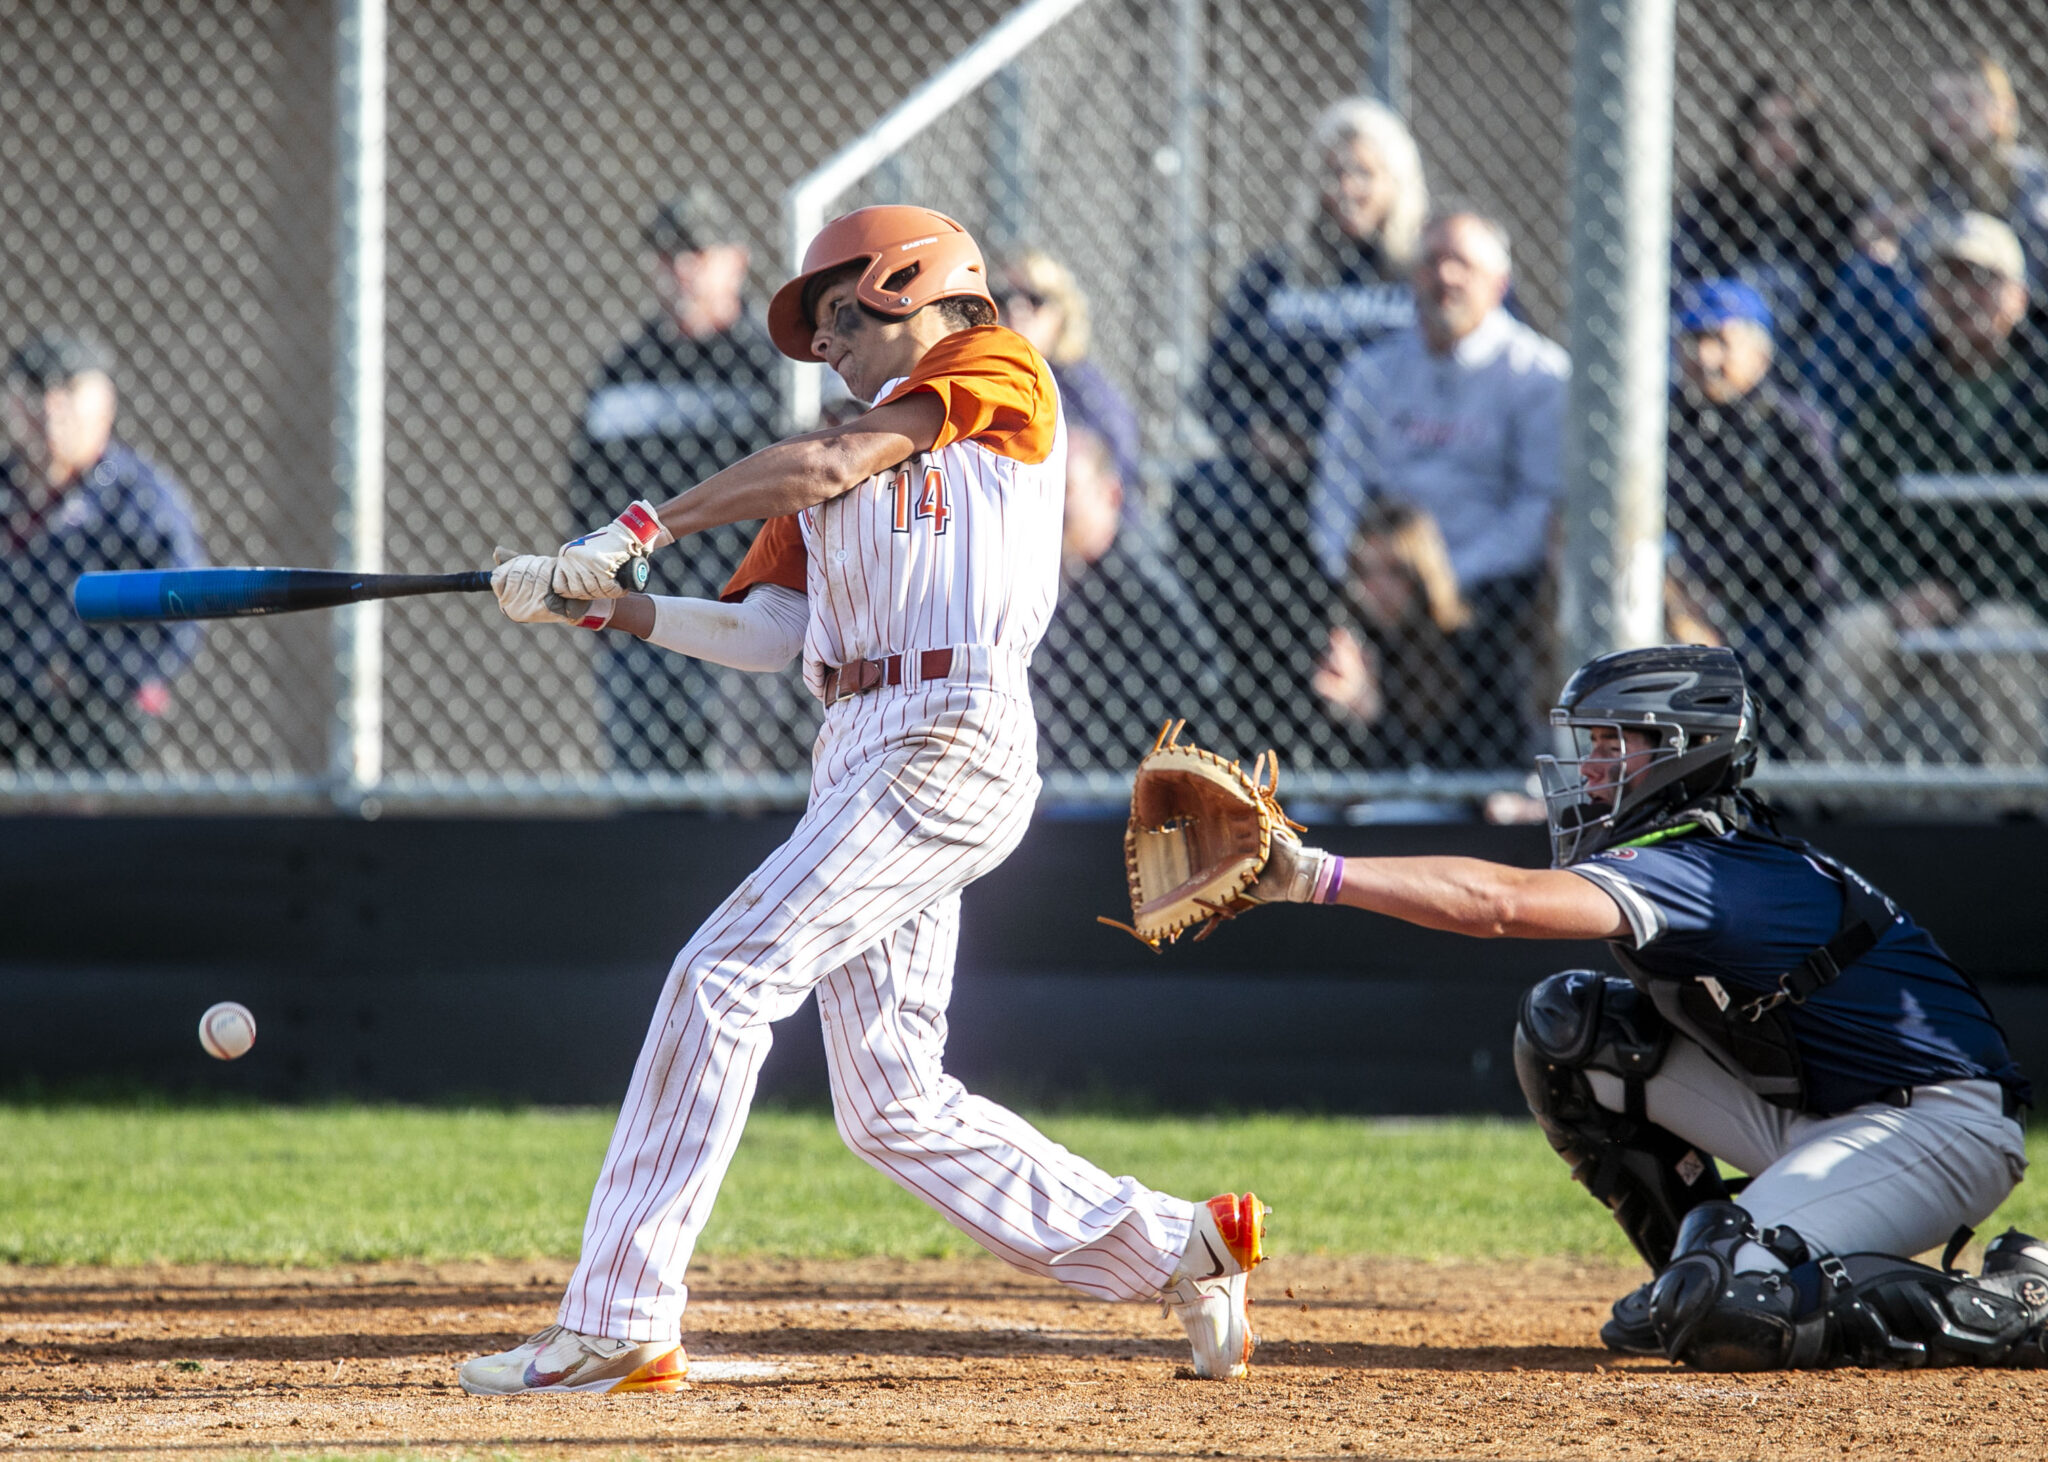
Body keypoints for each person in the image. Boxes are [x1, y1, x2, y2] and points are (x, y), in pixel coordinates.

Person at [466, 205, 1269, 1395]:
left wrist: (639, 527)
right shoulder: (834, 456)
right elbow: (767, 630)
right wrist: (608, 606)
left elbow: (834, 461)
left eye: (840, 314)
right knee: (890, 1102)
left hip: (950, 731)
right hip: (855, 744)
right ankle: (1177, 1245)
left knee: (721, 974)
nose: (823, 344)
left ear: (912, 285)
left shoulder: (993, 367)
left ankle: (619, 1316)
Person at [1243, 643, 2040, 1370]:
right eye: (1589, 743)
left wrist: (1312, 875)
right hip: (1826, 1114)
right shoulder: (1692, 847)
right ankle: (1693, 1275)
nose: (1590, 767)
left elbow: (1500, 904)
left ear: (1684, 751)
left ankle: (2007, 1305)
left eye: (1612, 743)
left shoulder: (1706, 868)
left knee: (1736, 1305)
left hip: (1938, 1128)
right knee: (1573, 1031)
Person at [1174, 97, 1428, 755]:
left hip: (1394, 482)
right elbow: (1215, 390)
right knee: (1203, 494)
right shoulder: (1274, 276)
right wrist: (1257, 436)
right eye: (1333, 172)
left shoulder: (1422, 272)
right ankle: (1256, 684)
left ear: (1397, 184)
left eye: (1364, 174)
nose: (1346, 189)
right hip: (1283, 483)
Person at [1310, 212, 1569, 767]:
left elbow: (1537, 507)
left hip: (1486, 582)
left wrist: (1445, 578)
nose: (1445, 276)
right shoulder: (1369, 374)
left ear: (1499, 285)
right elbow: (1336, 491)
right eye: (1431, 262)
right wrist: (1354, 571)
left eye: (1464, 265)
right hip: (1385, 574)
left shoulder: (1539, 376)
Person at [565, 186, 793, 774]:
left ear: (736, 261)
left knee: (744, 782)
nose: (681, 269)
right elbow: (588, 487)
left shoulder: (771, 370)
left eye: (697, 252)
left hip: (744, 608)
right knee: (644, 785)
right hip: (645, 611)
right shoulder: (626, 369)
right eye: (668, 255)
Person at [1808, 211, 2048, 766]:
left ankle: (2016, 819)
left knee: (1998, 636)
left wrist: (1964, 591)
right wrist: (1901, 592)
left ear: (2018, 296)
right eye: (1945, 280)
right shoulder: (1897, 397)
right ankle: (1839, 810)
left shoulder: (2040, 395)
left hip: (2014, 601)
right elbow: (1861, 522)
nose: (1962, 297)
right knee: (1851, 639)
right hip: (1912, 600)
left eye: (1980, 280)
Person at [0, 332, 205, 770]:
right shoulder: (6, 492)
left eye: (70, 391)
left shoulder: (138, 501)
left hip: (96, 717)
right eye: (34, 390)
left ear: (104, 404)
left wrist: (77, 672)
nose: (50, 409)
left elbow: (177, 623)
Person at [1809, 56, 2048, 430]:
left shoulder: (2031, 181)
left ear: (2002, 112)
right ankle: (1823, 428)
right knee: (1867, 277)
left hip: (2017, 316)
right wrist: (1878, 242)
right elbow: (1889, 257)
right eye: (1939, 105)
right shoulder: (1917, 189)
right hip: (1935, 318)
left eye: (1966, 103)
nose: (1951, 117)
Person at [1664, 279, 1841, 747]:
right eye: (1693, 341)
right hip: (1682, 593)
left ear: (1760, 354)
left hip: (1778, 598)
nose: (1704, 358)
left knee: (1766, 656)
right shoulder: (1667, 422)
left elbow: (1802, 535)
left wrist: (1706, 579)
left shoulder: (1793, 426)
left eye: (1720, 341)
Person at [1033, 426, 1223, 768]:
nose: (1053, 506)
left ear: (1112, 495)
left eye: (1067, 490)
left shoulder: (1144, 586)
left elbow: (1203, 688)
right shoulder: (1053, 577)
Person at [1670, 76, 1865, 382]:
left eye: (1794, 129)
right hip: (1724, 355)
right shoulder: (1711, 207)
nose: (1779, 142)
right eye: (1765, 127)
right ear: (1744, 137)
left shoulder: (1839, 211)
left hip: (1810, 362)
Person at [1310, 499, 1473, 769]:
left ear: (1422, 573)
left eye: (1395, 571)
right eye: (1364, 571)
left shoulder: (1462, 644)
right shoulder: (1349, 642)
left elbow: (1452, 761)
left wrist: (1374, 714)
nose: (1378, 588)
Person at [993, 250, 1142, 508]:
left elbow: (1119, 478)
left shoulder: (1081, 389)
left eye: (1034, 299)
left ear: (1060, 315)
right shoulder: (986, 376)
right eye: (1004, 298)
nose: (1017, 310)